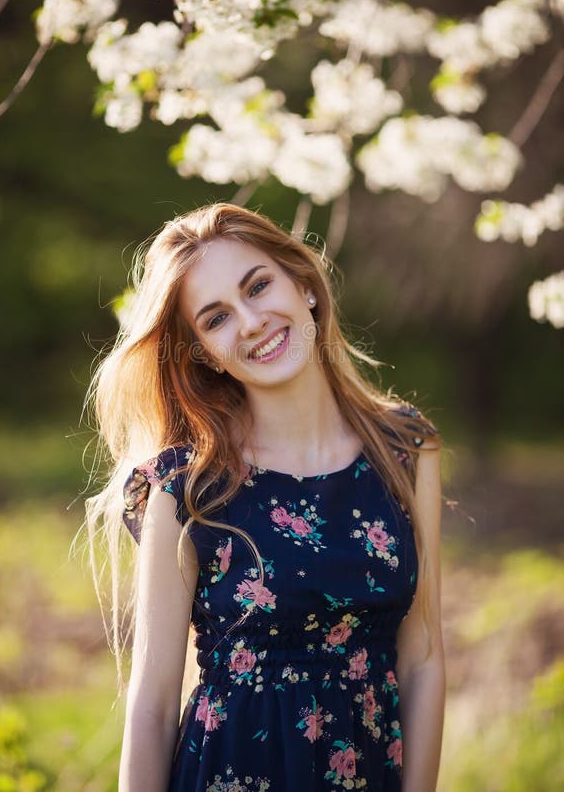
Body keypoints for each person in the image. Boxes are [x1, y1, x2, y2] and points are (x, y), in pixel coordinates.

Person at [83, 202, 445, 792]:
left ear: (302, 284)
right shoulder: (184, 488)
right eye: (217, 317)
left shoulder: (405, 448)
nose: (251, 321)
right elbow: (151, 703)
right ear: (202, 351)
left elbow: (423, 655)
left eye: (258, 286)